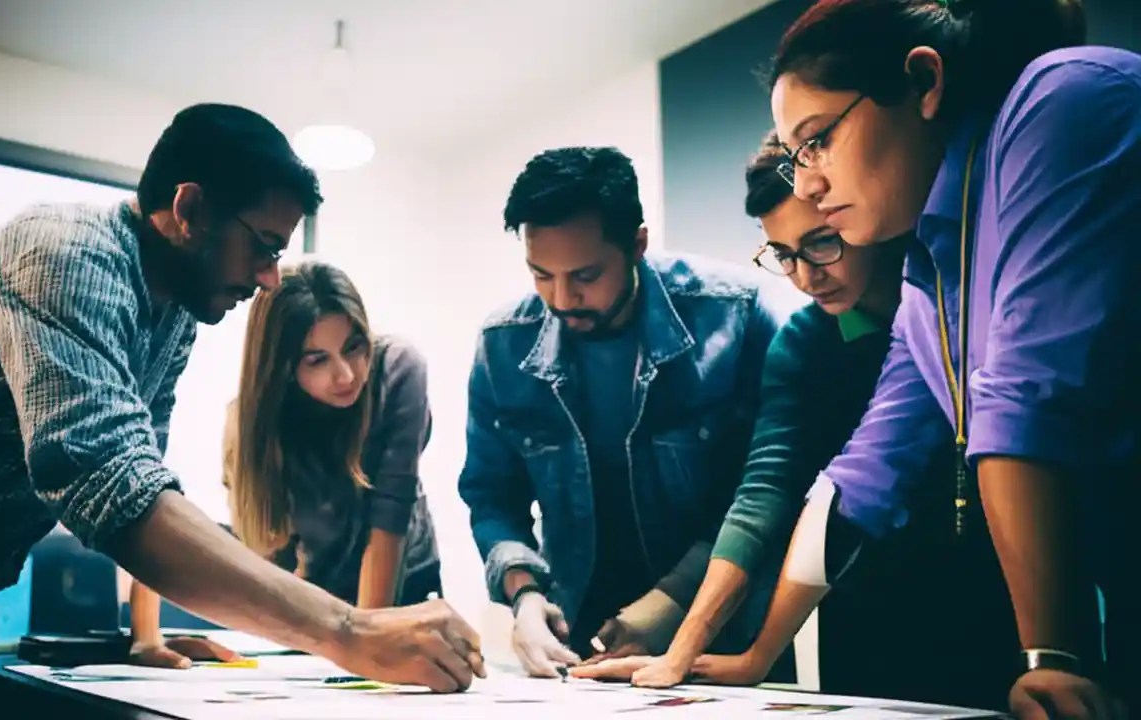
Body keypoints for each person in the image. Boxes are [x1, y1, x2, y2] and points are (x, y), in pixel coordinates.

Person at [603, 1, 1136, 718]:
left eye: (816, 140)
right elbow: (862, 473)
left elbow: (1021, 393)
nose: (808, 187)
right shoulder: (933, 268)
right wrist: (757, 654)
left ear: (924, 81)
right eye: (796, 159)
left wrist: (1050, 655)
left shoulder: (1062, 96)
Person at [0, 103, 483, 707]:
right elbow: (110, 484)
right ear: (189, 210)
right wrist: (348, 631)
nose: (270, 277)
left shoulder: (172, 316)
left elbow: (141, 474)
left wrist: (147, 636)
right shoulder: (63, 253)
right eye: (264, 246)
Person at [573, 135, 1019, 709]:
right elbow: (766, 489)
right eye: (783, 255)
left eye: (822, 244)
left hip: (1003, 591)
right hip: (863, 612)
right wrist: (686, 648)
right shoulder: (803, 344)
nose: (806, 278)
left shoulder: (960, 308)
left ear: (862, 214)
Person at [457, 145, 785, 679]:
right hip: (584, 640)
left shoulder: (735, 315)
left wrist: (668, 605)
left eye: (585, 275)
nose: (561, 298)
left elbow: (765, 490)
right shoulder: (502, 345)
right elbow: (492, 496)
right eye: (541, 274)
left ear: (637, 244)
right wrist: (526, 597)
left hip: (721, 635)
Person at [128, 261, 442, 668]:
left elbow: (390, 517)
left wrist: (368, 645)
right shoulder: (253, 426)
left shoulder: (398, 368)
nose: (346, 375)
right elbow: (177, 522)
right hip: (316, 607)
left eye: (353, 346)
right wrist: (149, 638)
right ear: (285, 370)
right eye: (317, 360)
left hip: (402, 589)